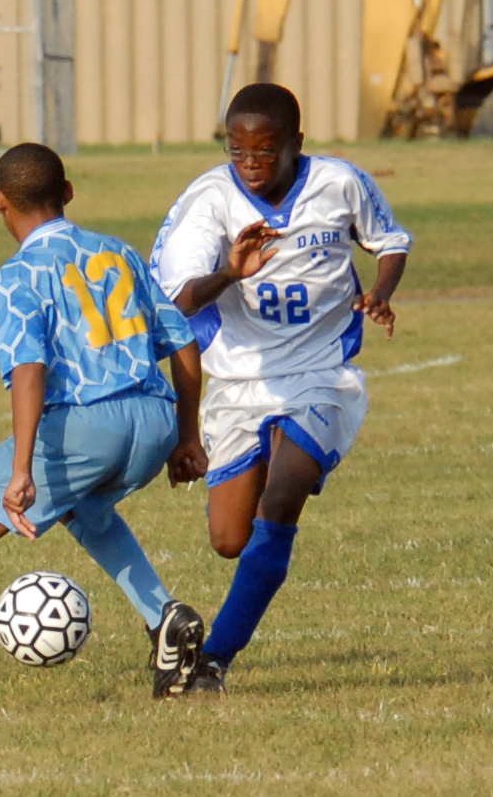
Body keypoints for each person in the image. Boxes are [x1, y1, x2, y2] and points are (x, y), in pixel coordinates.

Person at [0, 143, 209, 713]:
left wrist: (19, 469)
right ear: (69, 193)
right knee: (87, 510)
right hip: (152, 420)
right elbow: (183, 341)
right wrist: (186, 437)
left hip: (87, 426)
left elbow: (28, 372)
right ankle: (167, 619)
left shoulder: (15, 278)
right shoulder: (117, 252)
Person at [149, 83, 412, 693]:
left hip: (323, 372)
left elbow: (389, 241)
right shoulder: (209, 199)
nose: (250, 163)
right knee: (228, 540)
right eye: (237, 150)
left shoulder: (340, 183)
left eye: (265, 151)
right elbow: (179, 301)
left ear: (297, 142)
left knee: (284, 498)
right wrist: (230, 271)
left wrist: (380, 293)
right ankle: (272, 447)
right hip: (240, 380)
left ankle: (212, 661)